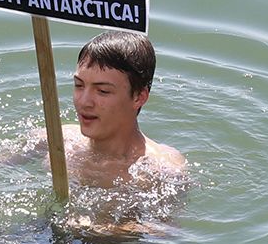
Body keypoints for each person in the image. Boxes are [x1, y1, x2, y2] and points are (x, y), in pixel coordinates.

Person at [63, 29, 186, 192]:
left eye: (103, 91)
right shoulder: (58, 142)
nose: (84, 102)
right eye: (79, 85)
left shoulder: (159, 171)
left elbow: (154, 218)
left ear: (139, 97)